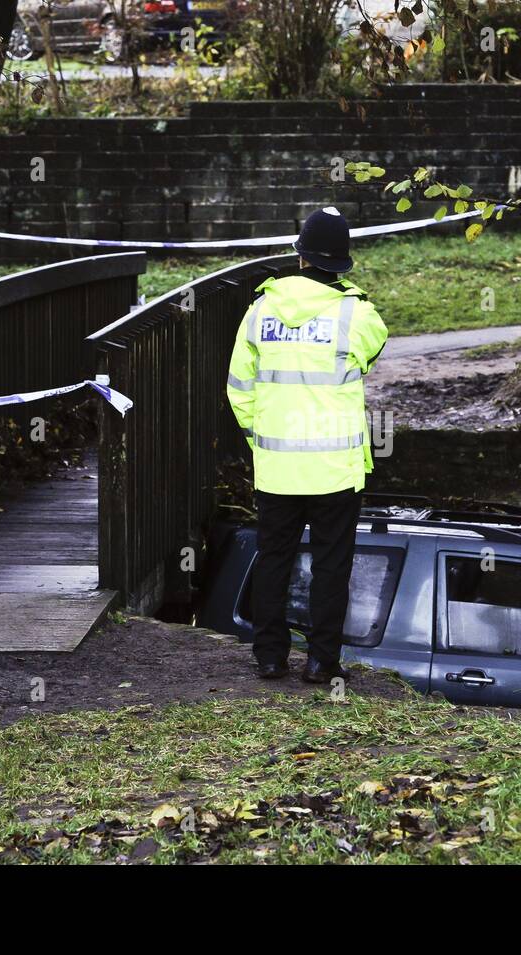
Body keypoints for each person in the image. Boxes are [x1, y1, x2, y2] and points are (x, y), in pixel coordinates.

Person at [226, 207, 389, 683]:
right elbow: (371, 352)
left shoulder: (259, 311)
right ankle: (321, 662)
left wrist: (262, 439)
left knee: (273, 560)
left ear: (299, 258)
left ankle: (270, 658)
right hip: (334, 470)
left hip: (277, 467)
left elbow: (239, 387)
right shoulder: (357, 313)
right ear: (341, 265)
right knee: (330, 566)